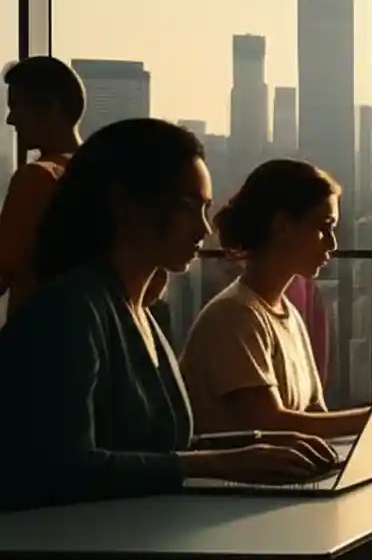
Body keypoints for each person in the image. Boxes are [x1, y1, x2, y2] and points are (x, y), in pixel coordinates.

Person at [0, 119, 337, 511]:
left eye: (205, 209)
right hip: (76, 543)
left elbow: (159, 449)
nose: (203, 228)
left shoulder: (140, 312)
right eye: (187, 207)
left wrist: (260, 444)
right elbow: (62, 467)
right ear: (124, 204)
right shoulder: (70, 311)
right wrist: (223, 462)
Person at [180, 159, 372, 438]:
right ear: (283, 226)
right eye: (324, 228)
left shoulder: (286, 315)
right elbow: (272, 424)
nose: (332, 244)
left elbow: (313, 416)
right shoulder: (234, 317)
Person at [0, 57, 84, 317]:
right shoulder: (104, 175)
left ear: (49, 107)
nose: (11, 119)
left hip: (36, 331)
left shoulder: (36, 178)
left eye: (16, 106)